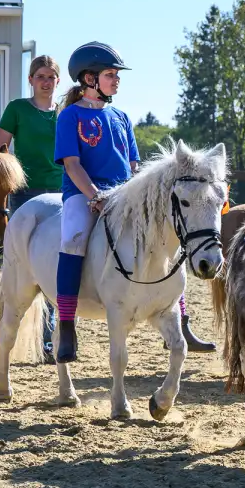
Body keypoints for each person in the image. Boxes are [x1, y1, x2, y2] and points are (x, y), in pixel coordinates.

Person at [52, 42, 139, 364]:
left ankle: (181, 316)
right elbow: (73, 165)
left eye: (116, 75)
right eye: (110, 75)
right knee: (73, 238)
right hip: (82, 193)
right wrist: (95, 197)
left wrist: (132, 195)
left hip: (121, 193)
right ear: (89, 79)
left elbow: (133, 167)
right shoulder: (69, 116)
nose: (116, 80)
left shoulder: (121, 116)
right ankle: (66, 322)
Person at [0, 56, 63, 362]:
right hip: (25, 196)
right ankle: (9, 334)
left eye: (51, 77)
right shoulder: (17, 109)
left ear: (58, 81)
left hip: (62, 193)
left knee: (54, 266)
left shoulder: (66, 112)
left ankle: (49, 340)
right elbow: (0, 153)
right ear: (30, 80)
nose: (45, 81)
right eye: (40, 76)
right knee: (22, 269)